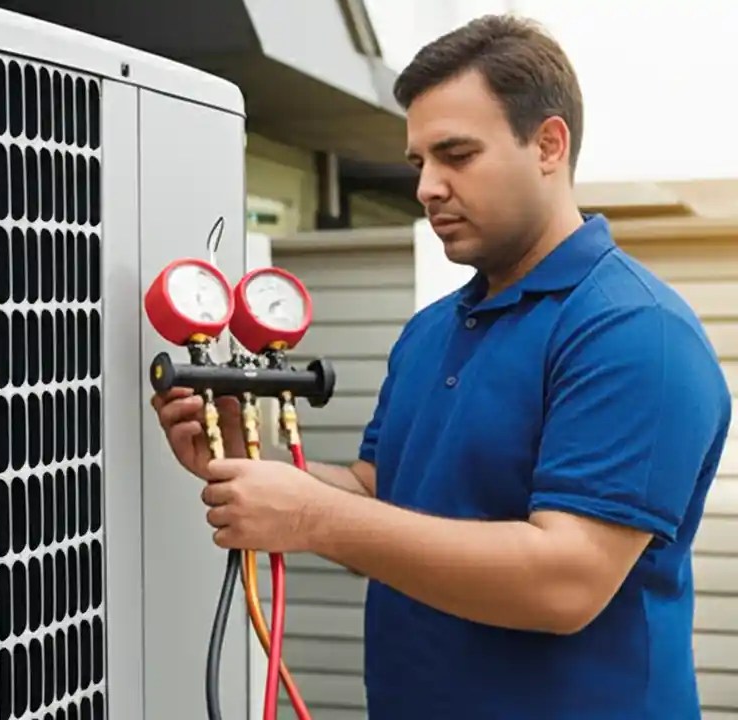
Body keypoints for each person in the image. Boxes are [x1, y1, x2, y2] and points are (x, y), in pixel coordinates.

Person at [152, 14, 732, 719]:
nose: (427, 186)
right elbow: (380, 493)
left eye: (456, 155)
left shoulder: (633, 330)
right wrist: (257, 460)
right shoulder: (433, 329)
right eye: (418, 163)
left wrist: (310, 517)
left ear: (549, 145)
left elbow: (564, 583)